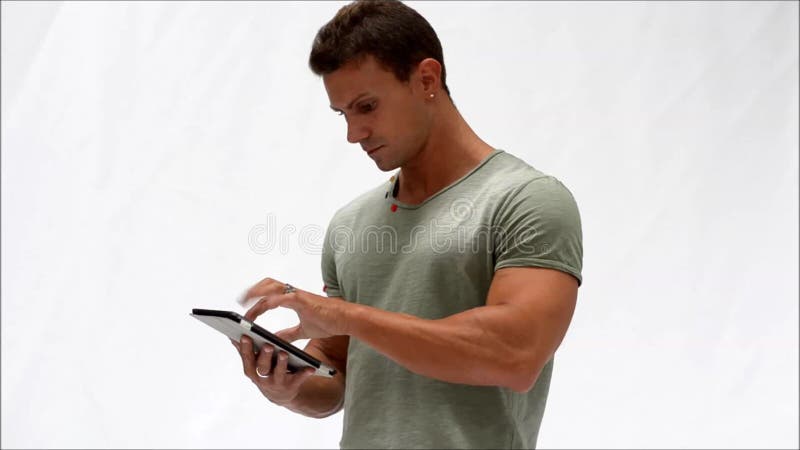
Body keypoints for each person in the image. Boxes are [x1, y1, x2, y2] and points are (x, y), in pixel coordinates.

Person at [230, 1, 583, 448]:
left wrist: (345, 315)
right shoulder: (350, 224)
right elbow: (338, 371)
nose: (353, 133)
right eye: (343, 114)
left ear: (427, 79)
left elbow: (514, 356)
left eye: (367, 106)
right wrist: (290, 387)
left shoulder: (526, 200)